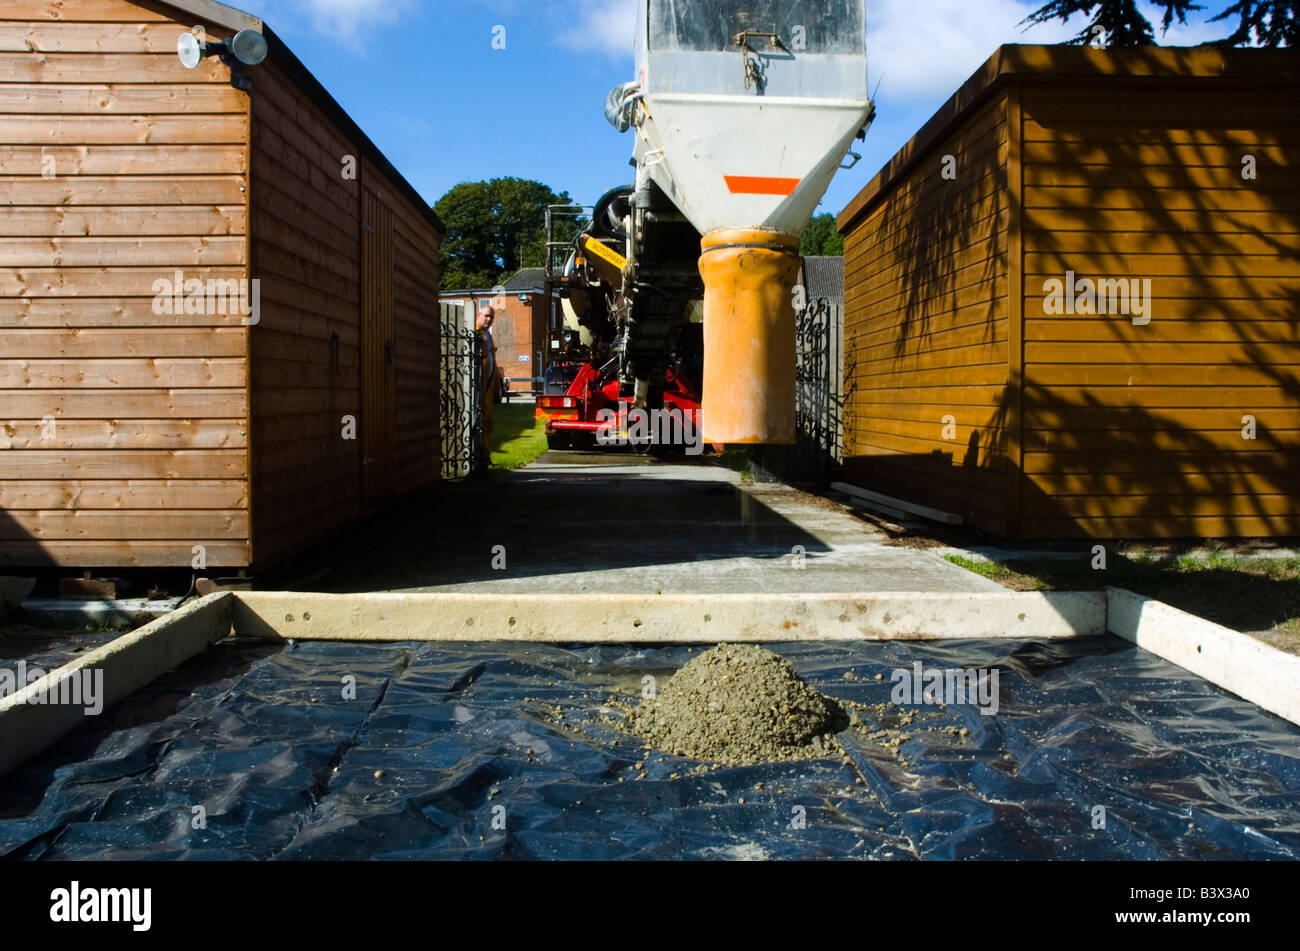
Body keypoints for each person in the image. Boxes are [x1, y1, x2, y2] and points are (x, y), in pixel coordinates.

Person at [476, 305, 499, 466]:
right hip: (479, 386)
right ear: (479, 315)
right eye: (486, 316)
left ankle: (485, 456)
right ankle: (479, 457)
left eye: (491, 317)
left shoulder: (488, 335)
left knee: (488, 422)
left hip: (489, 386)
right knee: (480, 421)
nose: (488, 319)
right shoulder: (476, 333)